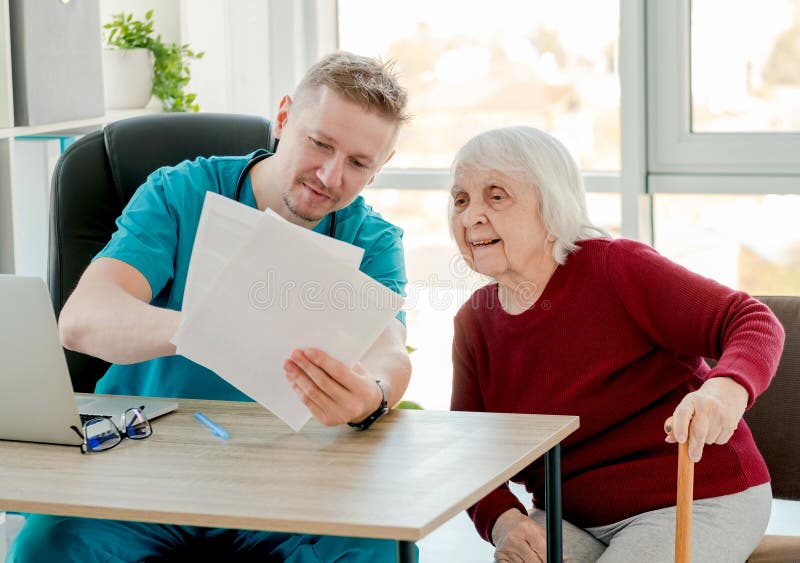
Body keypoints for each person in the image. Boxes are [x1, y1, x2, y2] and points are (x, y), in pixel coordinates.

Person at [8, 51, 416, 563]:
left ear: (378, 170)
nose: (331, 176)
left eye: (358, 163)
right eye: (320, 144)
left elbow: (390, 353)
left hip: (290, 479)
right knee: (48, 547)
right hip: (146, 467)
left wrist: (371, 396)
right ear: (284, 118)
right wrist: (212, 324)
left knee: (376, 549)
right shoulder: (179, 191)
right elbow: (83, 318)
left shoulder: (372, 240)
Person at [448, 126, 784, 563]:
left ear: (551, 205)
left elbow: (751, 320)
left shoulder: (614, 267)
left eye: (496, 196)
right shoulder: (474, 322)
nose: (471, 216)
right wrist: (503, 521)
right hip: (570, 519)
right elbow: (469, 450)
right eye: (460, 199)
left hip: (693, 497)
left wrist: (725, 389)